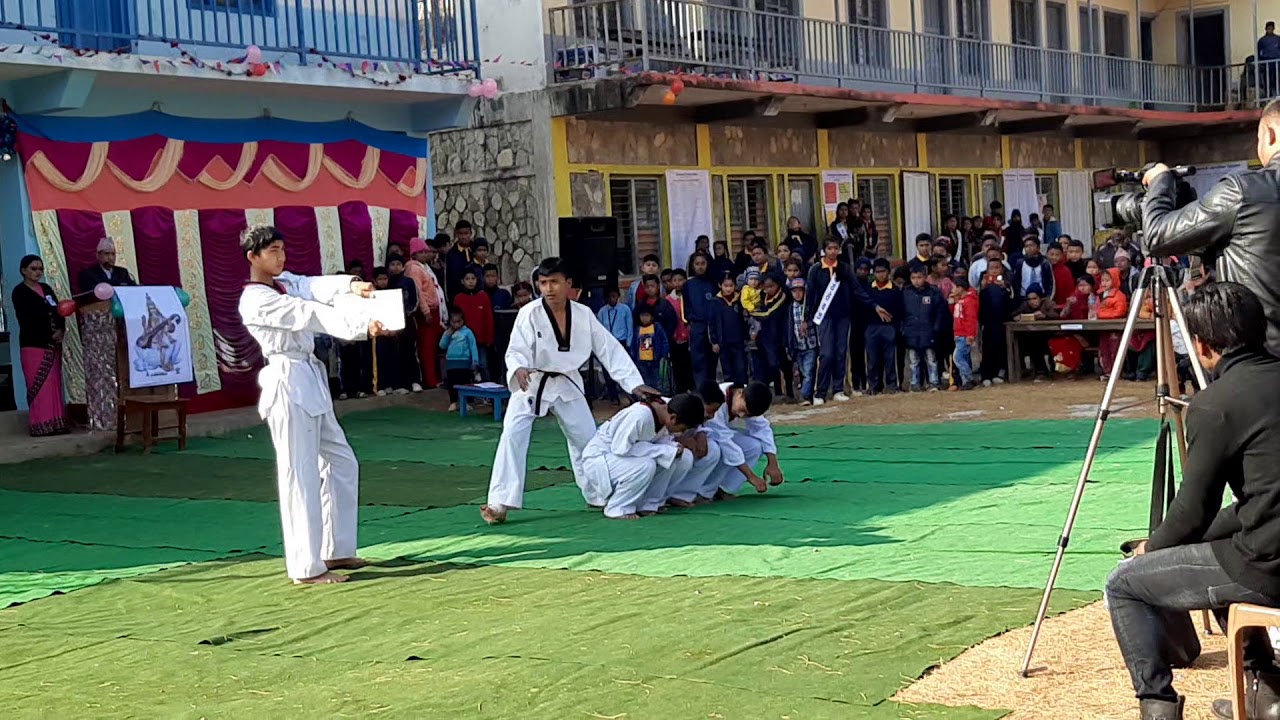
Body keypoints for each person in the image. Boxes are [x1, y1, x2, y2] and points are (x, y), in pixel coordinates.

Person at [1103, 283, 1280, 720]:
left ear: (1202, 345)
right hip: (1265, 536)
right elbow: (1257, 499)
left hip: (1270, 567)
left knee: (1123, 583)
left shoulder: (1215, 405)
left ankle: (1158, 706)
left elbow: (1193, 509)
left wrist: (1153, 547)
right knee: (1215, 553)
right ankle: (1265, 694)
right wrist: (1182, 540)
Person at [237, 225, 382, 585]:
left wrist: (351, 286)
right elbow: (306, 312)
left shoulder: (284, 282)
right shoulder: (256, 298)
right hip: (286, 379)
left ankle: (336, 548)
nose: (280, 256)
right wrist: (362, 323)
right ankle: (306, 567)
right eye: (272, 251)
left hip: (310, 377)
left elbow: (313, 286)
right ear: (252, 257)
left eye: (282, 249)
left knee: (341, 461)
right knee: (298, 474)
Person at [481, 257, 658, 525]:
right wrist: (517, 367)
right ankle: (499, 502)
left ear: (568, 284)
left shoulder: (583, 315)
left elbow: (608, 349)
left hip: (567, 381)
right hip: (533, 380)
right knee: (513, 436)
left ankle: (597, 493)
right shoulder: (529, 313)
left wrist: (633, 383)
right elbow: (515, 349)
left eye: (554, 282)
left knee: (587, 440)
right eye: (543, 283)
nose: (548, 289)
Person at [580, 393, 705, 520]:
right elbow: (620, 449)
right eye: (682, 429)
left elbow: (654, 442)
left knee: (683, 457)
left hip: (624, 458)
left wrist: (671, 448)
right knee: (648, 464)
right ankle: (618, 507)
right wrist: (663, 450)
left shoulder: (670, 407)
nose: (681, 433)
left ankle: (649, 504)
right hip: (601, 459)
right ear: (673, 418)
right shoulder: (640, 416)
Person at [805, 237, 886, 404]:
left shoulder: (845, 269)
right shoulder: (815, 270)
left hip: (843, 316)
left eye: (836, 248)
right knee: (826, 354)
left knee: (841, 353)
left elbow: (857, 290)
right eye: (830, 248)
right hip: (823, 317)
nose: (833, 251)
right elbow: (810, 295)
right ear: (824, 250)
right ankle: (820, 392)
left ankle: (838, 389)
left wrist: (875, 306)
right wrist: (806, 318)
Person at [12, 255, 69, 436]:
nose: (37, 272)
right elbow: (27, 319)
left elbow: (58, 310)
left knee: (54, 383)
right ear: (23, 271)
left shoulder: (46, 289)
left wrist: (60, 330)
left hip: (53, 345)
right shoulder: (19, 292)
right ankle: (41, 425)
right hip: (34, 345)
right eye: (33, 269)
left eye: (40, 269)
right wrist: (48, 333)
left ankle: (57, 422)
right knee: (40, 385)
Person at [702, 381, 782, 499]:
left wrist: (773, 463)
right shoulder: (716, 399)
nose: (741, 415)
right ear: (740, 393)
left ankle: (725, 488)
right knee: (718, 449)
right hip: (702, 436)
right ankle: (703, 491)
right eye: (743, 409)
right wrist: (750, 476)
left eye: (746, 414)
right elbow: (724, 441)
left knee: (754, 446)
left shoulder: (751, 398)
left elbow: (762, 428)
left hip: (720, 435)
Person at [404, 237, 446, 389]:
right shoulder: (414, 269)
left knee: (432, 346)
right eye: (421, 252)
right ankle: (430, 380)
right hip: (426, 312)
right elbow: (418, 292)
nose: (425, 254)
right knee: (427, 347)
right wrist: (426, 311)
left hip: (433, 310)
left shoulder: (422, 267)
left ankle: (433, 377)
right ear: (415, 254)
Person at [902, 268, 945, 392]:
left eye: (919, 277)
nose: (916, 281)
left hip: (929, 330)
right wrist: (904, 329)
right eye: (913, 278)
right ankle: (915, 383)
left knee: (931, 359)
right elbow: (902, 313)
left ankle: (933, 382)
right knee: (914, 360)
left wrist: (936, 328)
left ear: (925, 277)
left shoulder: (933, 292)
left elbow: (939, 312)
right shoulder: (906, 292)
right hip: (911, 331)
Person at [865, 259, 903, 395]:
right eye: (877, 272)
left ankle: (892, 384)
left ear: (889, 272)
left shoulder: (895, 290)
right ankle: (874, 385)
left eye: (883, 271)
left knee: (891, 357)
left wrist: (896, 327)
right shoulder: (869, 289)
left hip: (890, 327)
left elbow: (900, 311)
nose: (880, 275)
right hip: (872, 327)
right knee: (873, 358)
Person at [749, 274, 789, 397]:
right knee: (763, 366)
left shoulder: (782, 296)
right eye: (766, 287)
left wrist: (753, 313)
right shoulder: (762, 295)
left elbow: (768, 313)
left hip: (778, 335)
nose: (768, 289)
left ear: (778, 284)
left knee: (777, 364)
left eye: (771, 286)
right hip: (763, 336)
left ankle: (783, 392)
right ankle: (769, 393)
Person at [684, 251, 718, 387]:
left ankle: (712, 388)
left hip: (712, 325)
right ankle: (701, 389)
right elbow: (686, 306)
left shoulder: (713, 282)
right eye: (697, 264)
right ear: (692, 265)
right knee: (698, 359)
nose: (700, 267)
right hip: (697, 325)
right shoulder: (688, 285)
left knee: (712, 359)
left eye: (703, 263)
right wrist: (690, 321)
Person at [453, 269, 494, 380]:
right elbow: (456, 318)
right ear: (462, 281)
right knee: (467, 367)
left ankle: (488, 394)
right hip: (464, 340)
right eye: (467, 279)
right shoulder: (459, 298)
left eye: (473, 279)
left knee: (483, 365)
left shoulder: (483, 296)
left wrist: (489, 338)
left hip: (480, 340)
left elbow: (488, 318)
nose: (470, 282)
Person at [709, 274, 748, 385]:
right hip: (723, 342)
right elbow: (711, 323)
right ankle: (730, 396)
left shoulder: (740, 300)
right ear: (720, 285)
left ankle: (743, 393)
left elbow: (745, 321)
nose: (728, 288)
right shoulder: (715, 302)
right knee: (727, 371)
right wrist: (714, 341)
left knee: (741, 368)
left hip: (738, 341)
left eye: (731, 285)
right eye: (725, 285)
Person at [439, 309, 480, 412]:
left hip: (464, 363)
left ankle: (467, 402)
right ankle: (453, 402)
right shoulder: (448, 333)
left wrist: (475, 361)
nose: (456, 324)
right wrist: (447, 334)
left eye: (459, 322)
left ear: (463, 321)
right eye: (454, 322)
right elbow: (442, 345)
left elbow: (473, 346)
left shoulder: (468, 332)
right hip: (451, 363)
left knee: (465, 383)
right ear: (450, 322)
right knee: (452, 383)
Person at [597, 287, 633, 404]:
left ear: (618, 296)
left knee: (623, 369)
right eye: (609, 297)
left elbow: (629, 327)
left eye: (614, 296)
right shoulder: (602, 311)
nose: (612, 299)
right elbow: (600, 328)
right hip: (608, 343)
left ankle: (628, 394)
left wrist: (628, 343)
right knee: (608, 371)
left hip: (621, 342)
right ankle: (613, 396)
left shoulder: (625, 309)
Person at [786, 277, 819, 405]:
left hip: (810, 344)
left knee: (809, 372)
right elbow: (789, 328)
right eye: (795, 291)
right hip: (798, 345)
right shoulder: (790, 308)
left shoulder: (810, 307)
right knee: (803, 372)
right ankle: (806, 394)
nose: (798, 294)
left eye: (800, 291)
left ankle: (805, 396)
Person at [949, 278, 978, 390]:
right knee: (962, 357)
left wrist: (970, 334)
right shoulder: (960, 301)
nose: (952, 289)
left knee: (958, 357)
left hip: (964, 334)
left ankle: (968, 378)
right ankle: (965, 380)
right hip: (958, 333)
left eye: (954, 287)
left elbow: (971, 319)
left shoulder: (969, 301)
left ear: (960, 288)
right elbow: (955, 315)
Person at [632, 308, 670, 392]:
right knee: (644, 382)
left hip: (654, 360)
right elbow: (634, 345)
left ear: (651, 317)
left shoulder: (656, 327)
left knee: (655, 382)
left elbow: (664, 341)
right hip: (641, 361)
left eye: (647, 315)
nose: (644, 318)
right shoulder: (638, 329)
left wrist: (663, 355)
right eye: (642, 315)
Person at [445, 220, 475, 300]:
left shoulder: (476, 250)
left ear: (471, 233)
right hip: (458, 297)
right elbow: (449, 279)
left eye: (466, 233)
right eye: (461, 234)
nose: (463, 237)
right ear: (456, 234)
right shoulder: (451, 254)